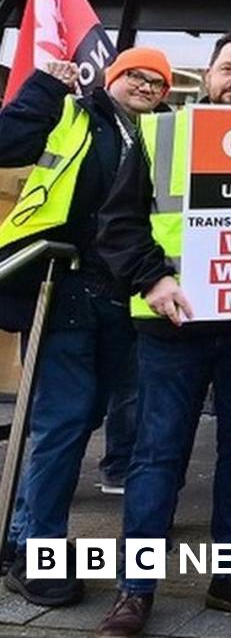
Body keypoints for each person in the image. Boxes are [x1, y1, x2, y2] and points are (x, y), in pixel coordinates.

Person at [94, 30, 231, 636]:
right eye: (228, 69)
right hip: (169, 327)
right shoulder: (163, 134)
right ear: (208, 76)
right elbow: (118, 224)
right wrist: (152, 279)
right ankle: (135, 589)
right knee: (157, 455)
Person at [0, 48, 171, 608]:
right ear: (112, 77)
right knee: (64, 420)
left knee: (83, 417)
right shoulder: (72, 112)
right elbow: (7, 143)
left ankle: (24, 534)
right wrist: (43, 88)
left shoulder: (157, 136)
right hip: (65, 282)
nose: (146, 86)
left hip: (121, 294)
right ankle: (37, 553)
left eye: (157, 83)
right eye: (136, 76)